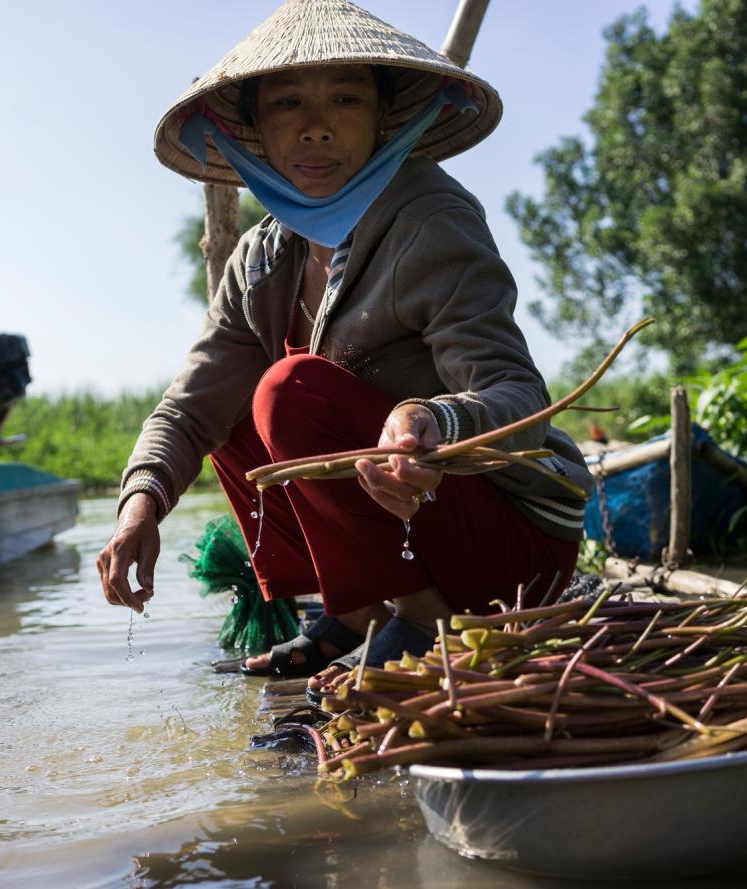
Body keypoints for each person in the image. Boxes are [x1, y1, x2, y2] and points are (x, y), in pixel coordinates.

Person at [98, 0, 594, 692]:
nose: (316, 127)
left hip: (504, 542)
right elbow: (187, 407)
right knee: (229, 412)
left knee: (289, 387)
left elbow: (518, 400)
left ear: (382, 118)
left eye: (345, 99)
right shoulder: (261, 257)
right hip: (398, 536)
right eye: (288, 103)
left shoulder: (429, 219)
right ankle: (354, 611)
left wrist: (430, 420)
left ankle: (422, 621)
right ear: (254, 131)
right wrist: (138, 508)